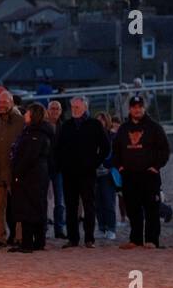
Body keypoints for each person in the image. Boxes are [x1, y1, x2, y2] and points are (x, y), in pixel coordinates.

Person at [112, 96, 170, 249]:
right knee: (132, 208)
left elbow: (164, 150)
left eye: (140, 106)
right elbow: (116, 150)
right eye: (134, 107)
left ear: (144, 108)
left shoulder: (154, 127)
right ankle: (135, 239)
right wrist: (120, 167)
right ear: (130, 109)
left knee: (152, 209)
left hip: (149, 175)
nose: (137, 109)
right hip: (129, 175)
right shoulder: (123, 129)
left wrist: (156, 166)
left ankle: (152, 240)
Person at [57, 96, 110, 249]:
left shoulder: (94, 125)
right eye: (73, 107)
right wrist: (62, 164)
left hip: (87, 172)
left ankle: (89, 238)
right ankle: (73, 238)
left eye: (77, 107)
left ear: (85, 108)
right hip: (69, 173)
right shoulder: (67, 125)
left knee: (89, 206)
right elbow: (58, 148)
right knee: (71, 206)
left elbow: (105, 147)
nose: (74, 110)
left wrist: (95, 162)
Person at [9, 103, 53, 253]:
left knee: (29, 208)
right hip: (37, 175)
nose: (25, 115)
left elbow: (29, 157)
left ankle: (29, 243)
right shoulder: (35, 132)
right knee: (36, 207)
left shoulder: (36, 134)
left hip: (31, 176)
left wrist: (17, 171)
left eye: (27, 113)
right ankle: (38, 242)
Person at [0, 91, 25, 250]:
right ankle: (0, 238)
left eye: (4, 102)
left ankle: (19, 237)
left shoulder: (21, 122)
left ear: (12, 102)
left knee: (18, 207)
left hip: (15, 172)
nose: (1, 105)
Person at [94, 112, 119, 241]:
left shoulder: (113, 136)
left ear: (107, 122)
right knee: (97, 203)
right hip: (95, 173)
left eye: (102, 120)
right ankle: (101, 227)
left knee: (109, 202)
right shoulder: (92, 137)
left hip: (108, 173)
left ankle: (111, 228)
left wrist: (108, 165)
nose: (100, 122)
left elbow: (117, 154)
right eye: (98, 120)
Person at [44, 100, 66, 240]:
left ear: (61, 111)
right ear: (48, 110)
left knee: (59, 201)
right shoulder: (43, 127)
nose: (54, 111)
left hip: (58, 168)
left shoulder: (63, 127)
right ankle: (43, 228)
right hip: (44, 167)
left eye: (57, 109)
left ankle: (59, 229)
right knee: (43, 200)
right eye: (52, 108)